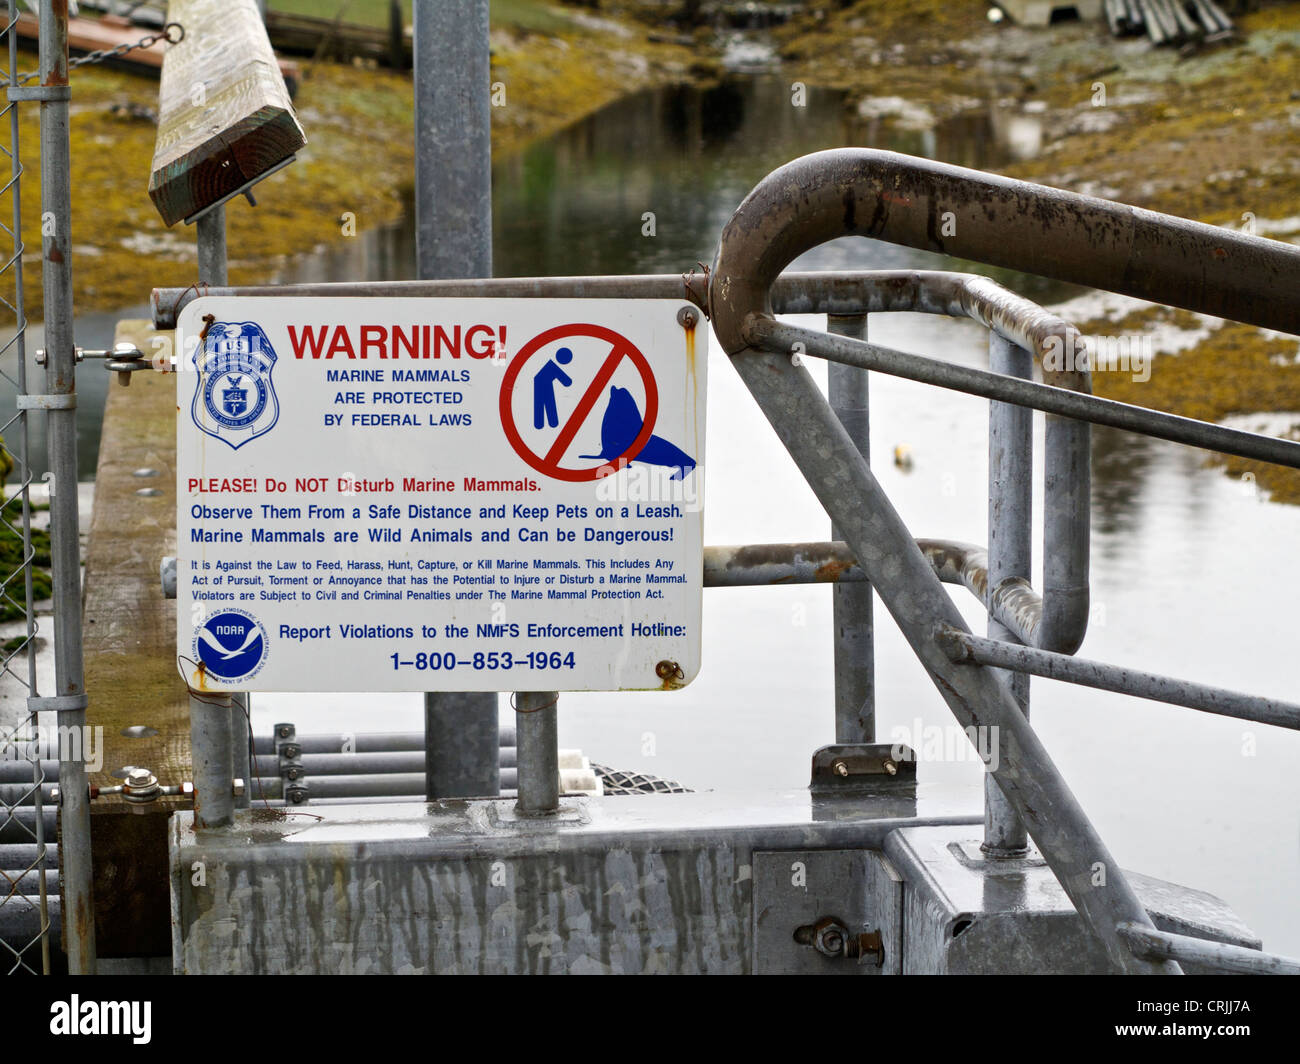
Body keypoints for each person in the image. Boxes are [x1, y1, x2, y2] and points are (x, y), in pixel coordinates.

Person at [533, 346, 573, 430]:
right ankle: (545, 424)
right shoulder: (552, 367)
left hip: (541, 386)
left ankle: (542, 424)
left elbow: (567, 382)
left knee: (542, 410)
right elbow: (567, 382)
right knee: (547, 407)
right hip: (543, 387)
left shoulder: (550, 367)